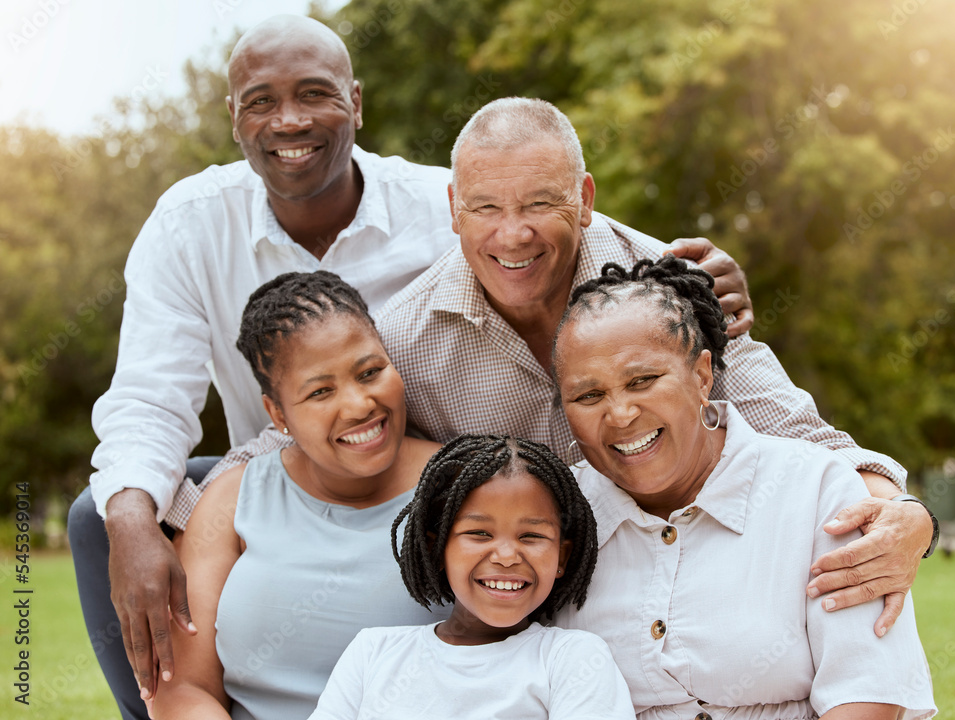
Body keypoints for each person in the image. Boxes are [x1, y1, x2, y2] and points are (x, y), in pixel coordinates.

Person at [209, 97, 935, 640]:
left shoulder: (670, 290)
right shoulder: (408, 335)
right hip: (543, 619)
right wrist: (174, 513)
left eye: (539, 203)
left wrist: (903, 516)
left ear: (583, 201)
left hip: (702, 581)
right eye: (486, 207)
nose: (512, 233)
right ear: (454, 209)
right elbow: (312, 426)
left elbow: (807, 435)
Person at [67, 15, 458, 719]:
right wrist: (133, 525)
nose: (289, 121)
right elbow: (151, 397)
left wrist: (686, 270)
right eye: (261, 102)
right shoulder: (190, 223)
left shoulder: (441, 204)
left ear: (357, 103)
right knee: (104, 515)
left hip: (427, 469)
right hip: (280, 481)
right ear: (233, 118)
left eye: (315, 94)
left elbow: (559, 232)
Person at [551, 257, 936, 719]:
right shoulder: (557, 513)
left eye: (643, 380)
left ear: (701, 376)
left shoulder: (818, 491)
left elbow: (867, 692)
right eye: (589, 395)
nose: (620, 414)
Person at [153, 270, 449, 720]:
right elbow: (184, 690)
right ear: (277, 414)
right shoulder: (231, 501)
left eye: (370, 372)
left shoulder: (459, 485)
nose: (359, 405)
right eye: (320, 391)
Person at [307, 434, 634, 720]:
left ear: (561, 556)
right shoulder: (372, 653)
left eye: (531, 536)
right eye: (479, 532)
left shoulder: (572, 659)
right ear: (437, 550)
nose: (507, 556)